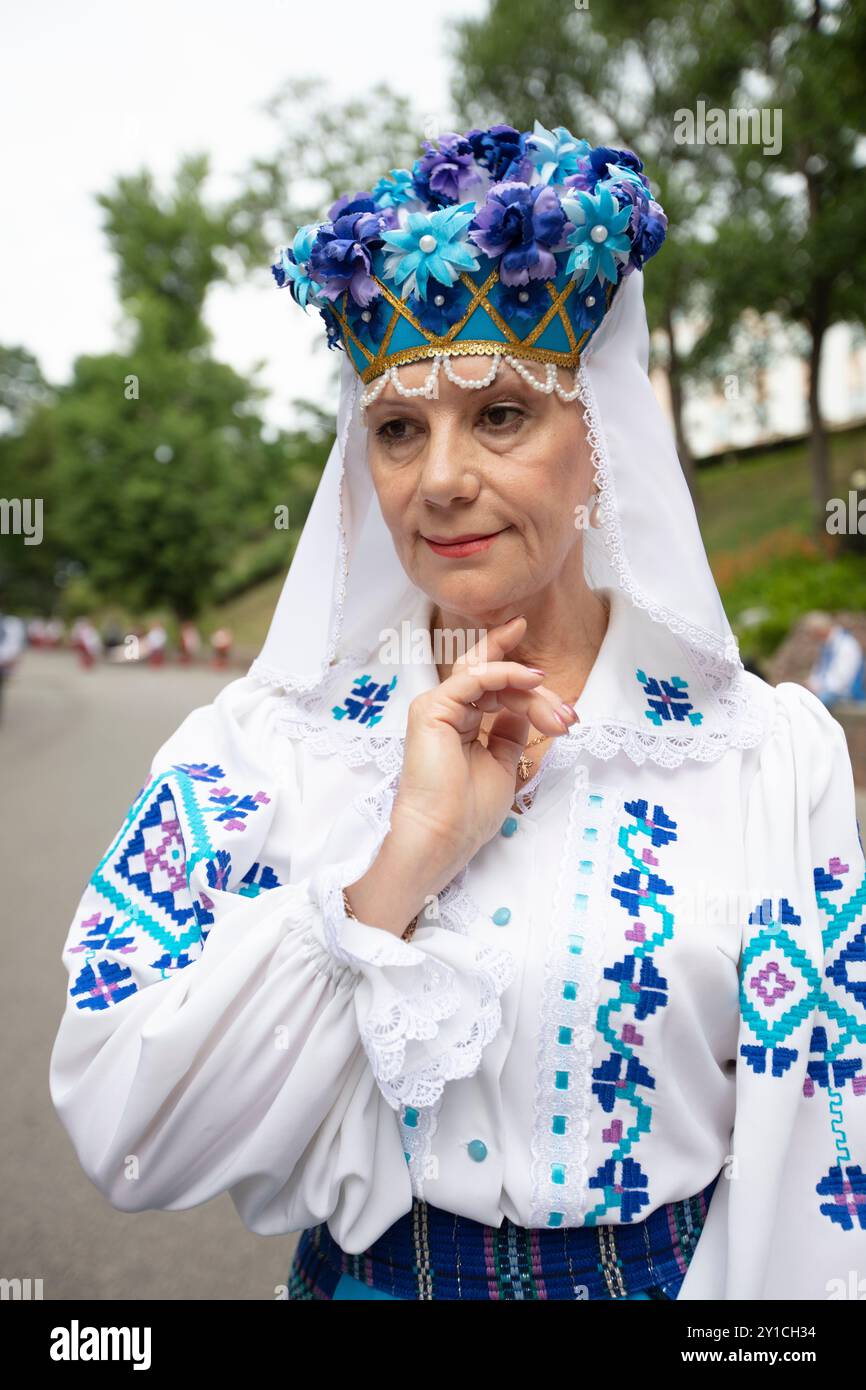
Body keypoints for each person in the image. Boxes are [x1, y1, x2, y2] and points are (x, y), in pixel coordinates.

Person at [48, 121, 866, 1301]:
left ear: (598, 444)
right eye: (395, 429)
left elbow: (823, 1164)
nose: (436, 480)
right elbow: (125, 1121)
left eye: (498, 415)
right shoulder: (264, 748)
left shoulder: (766, 759)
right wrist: (395, 873)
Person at [804, 610, 866, 707]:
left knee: (815, 704)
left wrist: (819, 686)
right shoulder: (826, 645)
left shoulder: (846, 645)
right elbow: (819, 671)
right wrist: (812, 683)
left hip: (847, 693)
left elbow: (840, 681)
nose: (812, 637)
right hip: (828, 689)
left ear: (820, 631)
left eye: (812, 633)